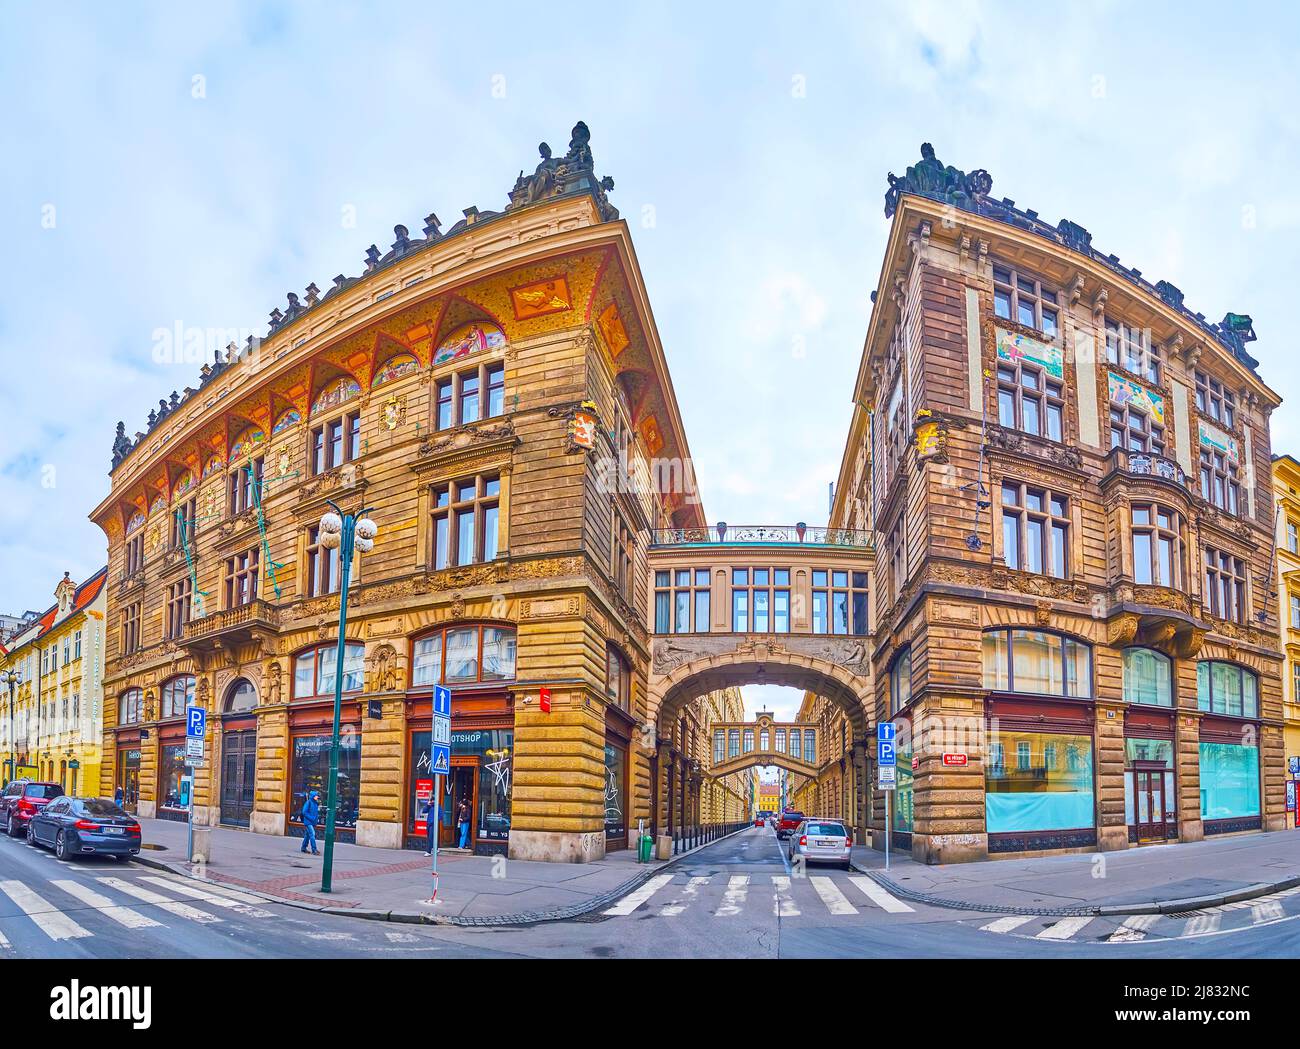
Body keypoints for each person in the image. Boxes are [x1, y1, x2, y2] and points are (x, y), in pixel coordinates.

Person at [300, 790, 321, 855]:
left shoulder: (315, 803)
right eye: (316, 795)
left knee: (308, 835)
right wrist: (312, 818)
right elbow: (304, 812)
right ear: (313, 796)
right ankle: (314, 850)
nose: (317, 797)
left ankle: (303, 848)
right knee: (312, 834)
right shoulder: (308, 802)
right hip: (308, 822)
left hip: (312, 822)